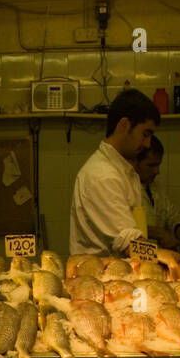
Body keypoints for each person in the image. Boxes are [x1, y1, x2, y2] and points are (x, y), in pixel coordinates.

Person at [69, 88, 160, 256]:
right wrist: (163, 255)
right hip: (98, 278)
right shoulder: (102, 176)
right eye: (145, 134)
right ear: (124, 125)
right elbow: (129, 243)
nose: (148, 144)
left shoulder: (124, 170)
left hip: (121, 274)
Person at [133, 135, 180, 256]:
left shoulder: (155, 187)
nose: (157, 171)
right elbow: (121, 229)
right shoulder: (124, 188)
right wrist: (158, 233)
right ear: (135, 163)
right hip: (136, 259)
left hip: (159, 258)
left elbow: (172, 216)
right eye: (151, 165)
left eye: (158, 165)